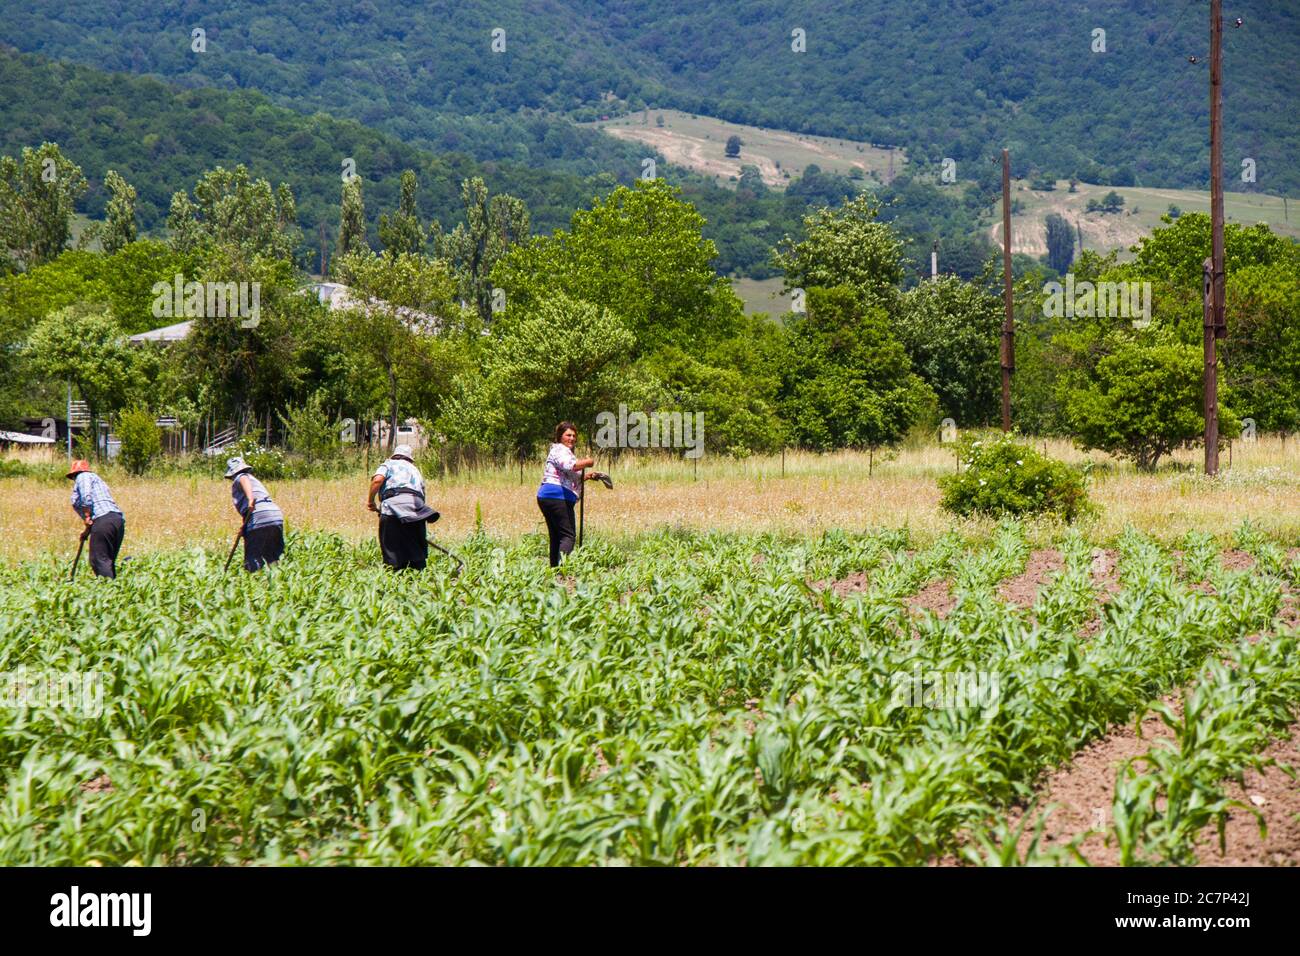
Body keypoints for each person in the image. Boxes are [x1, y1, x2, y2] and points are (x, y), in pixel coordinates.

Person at [536, 422, 607, 568]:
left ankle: (554, 570)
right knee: (568, 536)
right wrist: (588, 462)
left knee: (557, 536)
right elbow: (570, 465)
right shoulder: (560, 450)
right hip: (557, 496)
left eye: (574, 435)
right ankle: (562, 571)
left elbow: (570, 476)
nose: (572, 438)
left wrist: (587, 476)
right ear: (560, 436)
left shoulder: (564, 452)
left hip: (548, 495)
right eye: (568, 435)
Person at [368, 443, 438, 570]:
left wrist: (371, 501)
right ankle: (417, 579)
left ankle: (395, 578)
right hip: (416, 510)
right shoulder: (415, 470)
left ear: (394, 456)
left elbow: (377, 480)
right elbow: (422, 495)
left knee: (392, 554)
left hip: (391, 509)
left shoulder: (388, 464)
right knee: (416, 555)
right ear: (410, 459)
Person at [224, 456, 285, 572]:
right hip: (274, 515)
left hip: (259, 516)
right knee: (271, 555)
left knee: (252, 560)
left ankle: (253, 582)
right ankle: (277, 580)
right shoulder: (254, 479)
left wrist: (250, 498)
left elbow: (243, 480)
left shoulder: (241, 477)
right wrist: (244, 528)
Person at [66, 459, 125, 578]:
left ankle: (108, 591)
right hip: (116, 519)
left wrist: (87, 516)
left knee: (98, 560)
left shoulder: (83, 476)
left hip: (104, 520)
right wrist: (87, 532)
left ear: (74, 474)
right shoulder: (98, 480)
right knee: (107, 560)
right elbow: (94, 517)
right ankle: (115, 590)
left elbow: (86, 497)